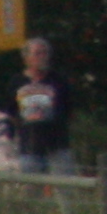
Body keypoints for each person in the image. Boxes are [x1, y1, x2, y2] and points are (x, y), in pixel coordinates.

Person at [10, 36, 74, 172]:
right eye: (38, 53)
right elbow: (12, 111)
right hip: (30, 146)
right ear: (26, 58)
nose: (43, 57)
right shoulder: (17, 82)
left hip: (58, 145)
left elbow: (69, 108)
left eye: (45, 53)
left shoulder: (58, 80)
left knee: (65, 187)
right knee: (32, 189)